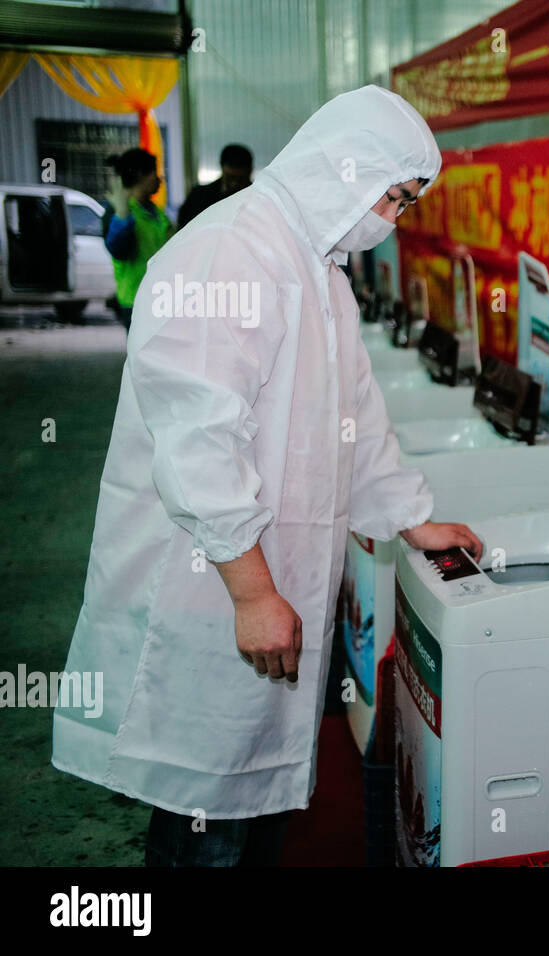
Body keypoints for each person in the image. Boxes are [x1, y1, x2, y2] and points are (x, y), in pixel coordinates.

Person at [51, 85, 482, 867]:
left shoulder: (319, 271)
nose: (396, 218)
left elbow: (356, 415)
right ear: (346, 171)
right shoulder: (231, 251)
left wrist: (411, 516)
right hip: (208, 589)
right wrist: (251, 591)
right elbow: (196, 437)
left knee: (254, 802)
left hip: (264, 583)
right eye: (396, 196)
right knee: (204, 812)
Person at [103, 148, 173, 330]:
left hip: (163, 297)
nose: (159, 179)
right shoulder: (119, 212)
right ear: (141, 175)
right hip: (136, 300)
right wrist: (122, 214)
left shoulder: (156, 213)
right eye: (154, 173)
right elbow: (119, 250)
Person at [176, 143, 254, 229]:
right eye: (233, 167)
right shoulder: (198, 197)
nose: (236, 173)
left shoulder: (258, 198)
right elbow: (184, 228)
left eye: (240, 177)